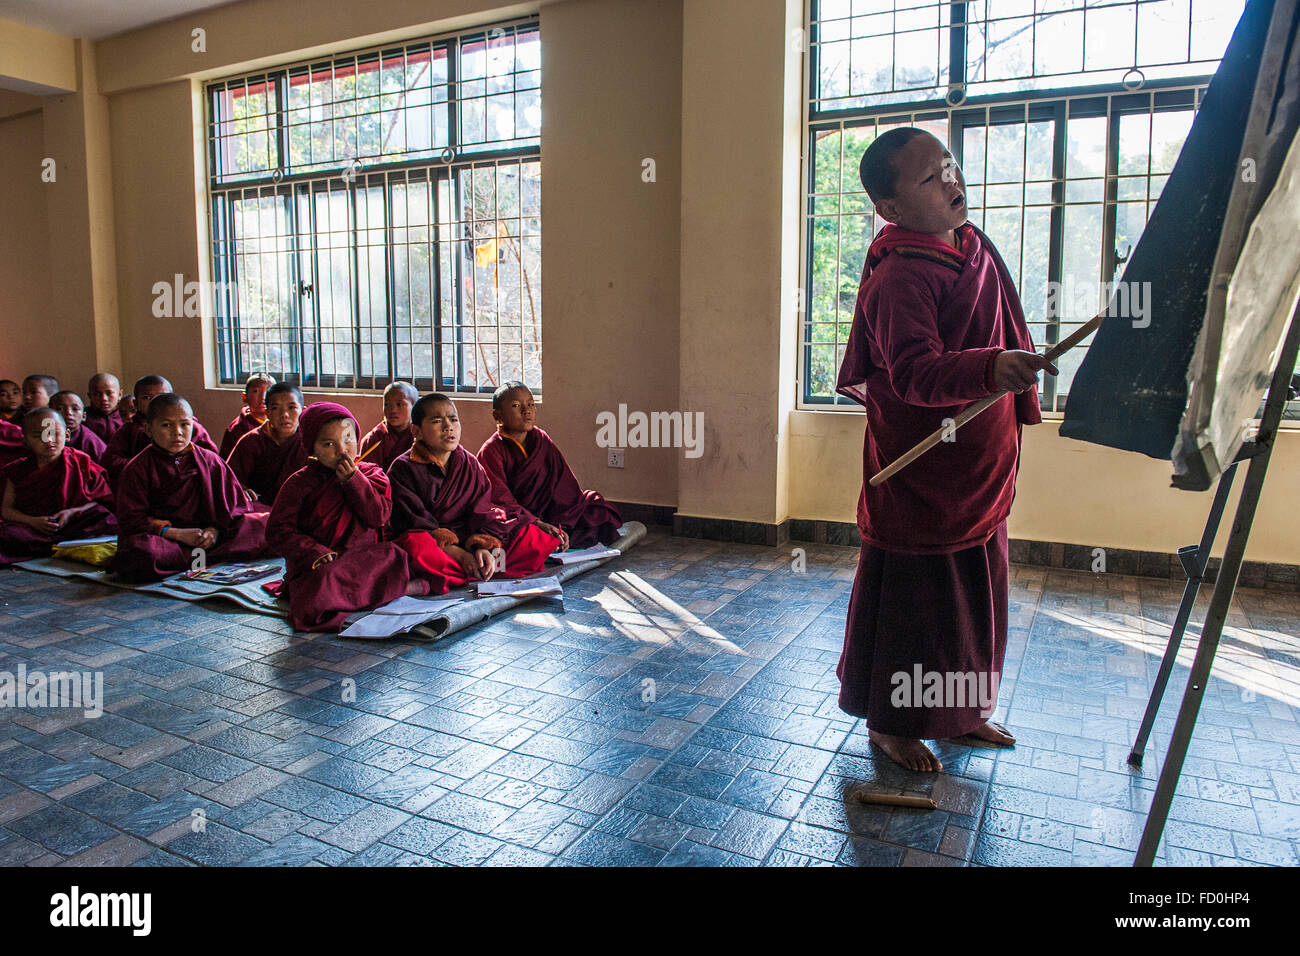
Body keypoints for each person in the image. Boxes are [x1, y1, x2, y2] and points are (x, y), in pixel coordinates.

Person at [834, 127, 1056, 772]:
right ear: (891, 209)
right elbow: (912, 375)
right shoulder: (899, 278)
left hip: (979, 459)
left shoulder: (972, 245)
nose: (952, 182)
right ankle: (893, 724)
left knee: (975, 594)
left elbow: (1002, 329)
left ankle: (960, 713)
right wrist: (992, 370)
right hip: (924, 465)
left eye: (949, 166)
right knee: (919, 602)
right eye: (931, 178)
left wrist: (1007, 379)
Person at [267, 402, 422, 631]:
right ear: (312, 448)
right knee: (323, 581)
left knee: (394, 555)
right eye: (329, 444)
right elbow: (277, 531)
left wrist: (354, 481)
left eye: (348, 439)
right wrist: (314, 552)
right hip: (323, 563)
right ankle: (389, 591)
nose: (342, 450)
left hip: (362, 558)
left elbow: (378, 517)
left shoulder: (372, 474)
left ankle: (360, 594)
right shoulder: (300, 483)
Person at [388, 393, 559, 593]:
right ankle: (469, 572)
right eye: (436, 421)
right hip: (437, 545)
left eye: (453, 419)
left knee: (530, 538)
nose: (448, 427)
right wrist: (459, 555)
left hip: (469, 539)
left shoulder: (468, 463)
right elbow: (413, 520)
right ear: (416, 431)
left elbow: (483, 510)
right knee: (416, 547)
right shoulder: (403, 468)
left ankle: (448, 577)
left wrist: (480, 547)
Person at [112, 393, 268, 581]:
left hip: (208, 537)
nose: (177, 432)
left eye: (184, 425)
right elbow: (131, 519)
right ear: (148, 429)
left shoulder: (210, 460)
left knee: (264, 525)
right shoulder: (138, 468)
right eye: (166, 425)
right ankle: (199, 558)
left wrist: (214, 530)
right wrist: (176, 534)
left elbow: (233, 505)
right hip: (167, 540)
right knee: (141, 552)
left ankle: (192, 558)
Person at [478, 381, 622, 551]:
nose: (527, 410)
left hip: (550, 512)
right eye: (516, 405)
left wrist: (560, 522)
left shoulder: (541, 439)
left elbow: (564, 483)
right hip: (520, 517)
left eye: (531, 404)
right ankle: (548, 537)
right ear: (497, 416)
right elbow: (501, 500)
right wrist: (536, 522)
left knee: (596, 508)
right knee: (508, 533)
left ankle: (557, 535)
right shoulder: (491, 451)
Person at [0, 408, 116, 565]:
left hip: (72, 522)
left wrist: (72, 512)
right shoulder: (17, 470)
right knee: (8, 534)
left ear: (67, 434)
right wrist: (33, 521)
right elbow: (7, 510)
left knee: (105, 517)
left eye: (54, 433)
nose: (48, 440)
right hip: (34, 526)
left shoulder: (80, 462)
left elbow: (101, 499)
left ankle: (53, 546)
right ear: (25, 441)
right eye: (38, 435)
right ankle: (63, 546)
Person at [102, 375, 219, 485]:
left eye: (162, 395)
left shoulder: (192, 427)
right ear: (136, 403)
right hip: (147, 484)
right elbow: (111, 461)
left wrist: (183, 465)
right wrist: (147, 466)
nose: (156, 401)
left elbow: (211, 460)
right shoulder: (129, 430)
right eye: (147, 398)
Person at [226, 382, 306, 505]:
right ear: (267, 413)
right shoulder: (251, 441)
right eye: (275, 408)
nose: (284, 415)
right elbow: (229, 480)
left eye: (291, 408)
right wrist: (242, 491)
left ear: (303, 411)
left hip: (300, 506)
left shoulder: (310, 440)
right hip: (260, 507)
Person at [359, 381, 418, 469]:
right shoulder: (373, 439)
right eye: (387, 404)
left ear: (414, 406)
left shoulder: (420, 435)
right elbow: (369, 474)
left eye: (399, 404)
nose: (393, 410)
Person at [219, 372, 275, 459]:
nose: (263, 397)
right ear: (244, 397)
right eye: (256, 391)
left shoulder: (281, 422)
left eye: (268, 391)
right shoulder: (237, 428)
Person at [50, 391, 107, 462]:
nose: (69, 413)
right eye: (60, 408)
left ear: (84, 416)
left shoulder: (90, 440)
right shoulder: (43, 434)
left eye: (75, 409)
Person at [84, 373, 127, 443]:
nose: (104, 398)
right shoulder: (84, 418)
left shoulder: (127, 416)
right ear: (90, 396)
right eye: (97, 394)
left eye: (109, 393)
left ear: (120, 395)